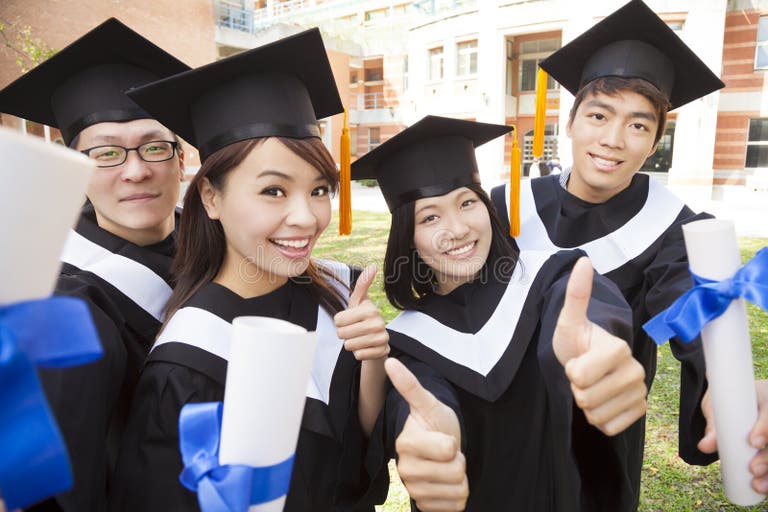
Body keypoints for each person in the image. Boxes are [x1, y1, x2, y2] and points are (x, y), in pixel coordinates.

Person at [109, 28, 389, 511]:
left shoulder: (337, 295)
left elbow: (357, 453)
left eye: (319, 189)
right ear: (211, 197)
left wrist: (373, 361)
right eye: (274, 191)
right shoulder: (187, 363)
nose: (306, 217)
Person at [487, 0, 756, 503]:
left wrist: (727, 380)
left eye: (638, 125)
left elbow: (694, 303)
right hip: (499, 424)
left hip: (597, 438)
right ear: (570, 122)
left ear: (654, 141)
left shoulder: (672, 227)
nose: (612, 140)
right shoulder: (507, 206)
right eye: (598, 115)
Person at [352, 115, 649, 511]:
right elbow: (415, 400)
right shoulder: (408, 340)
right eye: (430, 216)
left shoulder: (549, 277)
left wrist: (596, 339)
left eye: (467, 202)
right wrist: (423, 430)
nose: (457, 228)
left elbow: (583, 302)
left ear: (487, 207)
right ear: (408, 236)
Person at [0, 19, 189, 512]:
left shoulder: (224, 250)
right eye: (105, 152)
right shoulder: (54, 297)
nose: (135, 169)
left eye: (154, 146)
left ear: (182, 159)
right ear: (78, 167)